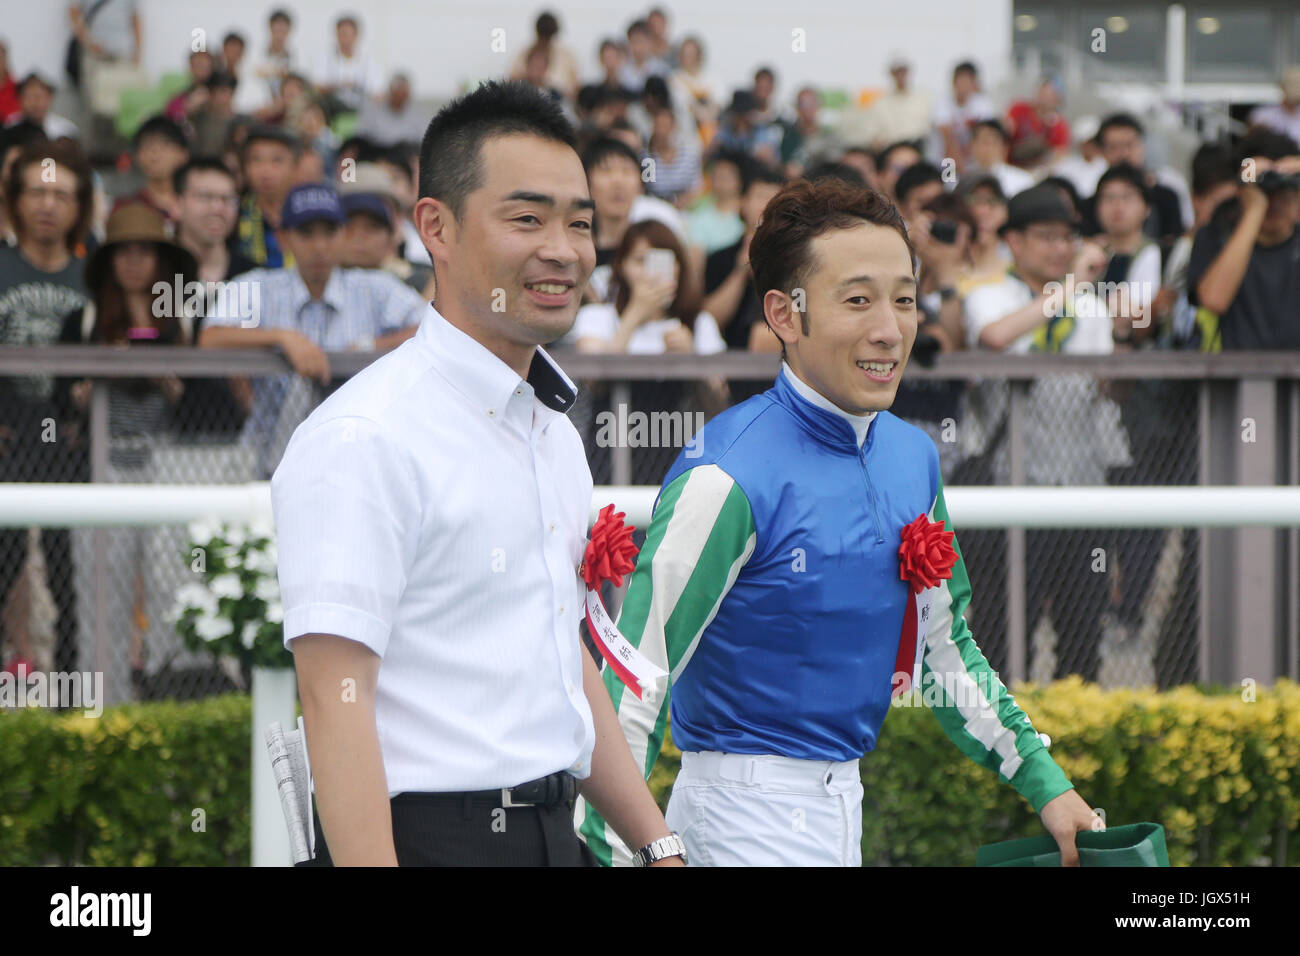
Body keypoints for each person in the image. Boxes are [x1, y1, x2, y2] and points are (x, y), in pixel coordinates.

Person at [577, 176, 1100, 866]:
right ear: (785, 315)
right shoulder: (724, 473)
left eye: (905, 299)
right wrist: (621, 854)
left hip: (844, 809)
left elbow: (943, 650)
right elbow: (634, 678)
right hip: (734, 821)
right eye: (857, 300)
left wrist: (1049, 785)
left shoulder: (912, 457)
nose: (890, 328)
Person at [271, 80, 682, 867]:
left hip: (556, 835)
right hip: (426, 843)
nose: (563, 248)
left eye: (580, 223)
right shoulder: (364, 436)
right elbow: (333, 698)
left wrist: (658, 844)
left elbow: (562, 662)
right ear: (438, 227)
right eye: (526, 218)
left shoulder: (550, 430)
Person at [962, 185, 1129, 683]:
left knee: (1081, 632)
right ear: (1013, 240)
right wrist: (1071, 287)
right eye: (1046, 237)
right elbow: (995, 337)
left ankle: (1074, 743)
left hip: (1082, 490)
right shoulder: (989, 295)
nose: (1059, 248)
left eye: (1067, 238)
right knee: (1001, 631)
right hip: (1010, 486)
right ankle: (998, 747)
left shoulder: (1091, 308)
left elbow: (1108, 387)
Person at [56, 204, 197, 702]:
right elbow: (58, 401)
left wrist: (173, 383)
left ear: (161, 261)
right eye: (124, 252)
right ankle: (106, 714)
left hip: (168, 467)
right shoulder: (85, 318)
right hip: (103, 467)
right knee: (101, 598)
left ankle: (175, 701)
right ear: (109, 261)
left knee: (175, 594)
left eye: (146, 251)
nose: (135, 262)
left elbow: (207, 409)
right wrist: (94, 378)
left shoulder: (186, 317)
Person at [198, 182, 425, 479]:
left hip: (358, 465)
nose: (319, 245)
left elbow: (433, 326)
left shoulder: (374, 288)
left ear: (342, 235)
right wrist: (283, 338)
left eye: (328, 232)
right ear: (283, 239)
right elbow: (210, 338)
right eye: (306, 233)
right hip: (269, 464)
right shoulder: (257, 286)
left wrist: (372, 345)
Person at [0, 139, 92, 680]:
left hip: (71, 444)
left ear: (79, 206)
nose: (47, 204)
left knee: (68, 576)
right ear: (15, 199)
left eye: (60, 193)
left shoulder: (95, 275)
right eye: (36, 191)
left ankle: (73, 696)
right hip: (6, 435)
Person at [1186, 129, 1300, 351]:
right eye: (1264, 185)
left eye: (1284, 185)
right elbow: (1214, 300)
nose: (1274, 199)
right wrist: (1253, 209)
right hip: (1232, 377)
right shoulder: (1215, 235)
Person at [701, 159, 783, 352]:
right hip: (727, 361)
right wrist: (740, 271)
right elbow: (708, 322)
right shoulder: (719, 258)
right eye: (761, 196)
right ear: (743, 202)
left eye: (776, 198)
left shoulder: (796, 261)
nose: (767, 206)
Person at [1082, 113, 1188, 246]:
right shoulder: (1090, 205)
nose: (1124, 153)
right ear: (1102, 152)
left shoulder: (1167, 197)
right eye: (1114, 147)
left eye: (1129, 145)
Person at [234, 124, 300, 268]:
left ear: (295, 166)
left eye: (277, 160)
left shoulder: (309, 213)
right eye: (256, 160)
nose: (266, 170)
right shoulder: (233, 213)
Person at [112, 115, 189, 224]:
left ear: (183, 155)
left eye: (165, 144)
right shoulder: (125, 208)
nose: (154, 153)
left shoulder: (195, 207)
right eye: (147, 145)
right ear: (137, 156)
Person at [935, 61, 997, 173]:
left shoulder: (982, 103)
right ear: (954, 82)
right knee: (950, 184)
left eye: (968, 81)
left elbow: (986, 133)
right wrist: (959, 163)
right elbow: (947, 136)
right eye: (961, 81)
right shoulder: (943, 103)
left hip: (974, 158)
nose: (964, 85)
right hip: (948, 159)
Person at [315, 14, 382, 115]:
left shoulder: (368, 61)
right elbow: (317, 87)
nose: (345, 40)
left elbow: (378, 93)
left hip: (361, 108)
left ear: (356, 36)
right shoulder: (324, 57)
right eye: (342, 35)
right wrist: (340, 85)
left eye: (348, 35)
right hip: (333, 108)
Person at [1004, 77, 1070, 171]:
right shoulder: (1019, 110)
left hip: (1036, 169)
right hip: (1011, 165)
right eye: (1041, 92)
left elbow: (1059, 155)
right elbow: (1004, 133)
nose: (1043, 98)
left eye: (1049, 95)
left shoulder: (1059, 126)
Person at [965, 119, 1035, 199]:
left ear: (1004, 147)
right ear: (972, 146)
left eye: (993, 143)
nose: (988, 148)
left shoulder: (1023, 180)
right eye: (984, 142)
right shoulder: (964, 180)